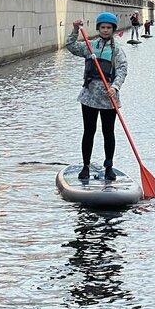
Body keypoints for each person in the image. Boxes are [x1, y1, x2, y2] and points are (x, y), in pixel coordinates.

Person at [66, 12, 128, 182]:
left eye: (108, 28)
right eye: (103, 27)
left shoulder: (117, 51)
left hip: (109, 98)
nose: (106, 30)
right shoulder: (89, 45)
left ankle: (109, 166)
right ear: (98, 28)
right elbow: (70, 46)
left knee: (108, 132)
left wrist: (115, 87)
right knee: (89, 131)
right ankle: (85, 166)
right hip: (89, 97)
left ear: (113, 29)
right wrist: (74, 30)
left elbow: (122, 70)